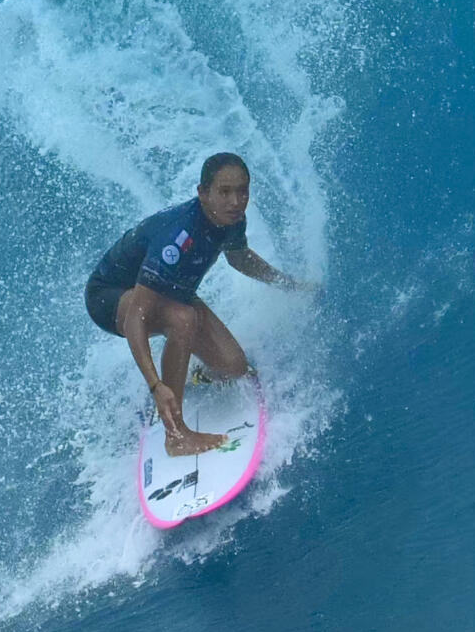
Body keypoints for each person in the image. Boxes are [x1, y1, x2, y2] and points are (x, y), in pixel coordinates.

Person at [86, 152, 309, 456]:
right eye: (224, 192)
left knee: (234, 367)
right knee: (182, 318)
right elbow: (137, 317)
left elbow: (239, 258)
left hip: (168, 291)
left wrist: (289, 284)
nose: (235, 201)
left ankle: (194, 375)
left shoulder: (232, 220)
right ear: (203, 193)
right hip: (110, 296)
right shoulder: (177, 237)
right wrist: (155, 385)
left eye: (242, 191)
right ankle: (176, 436)